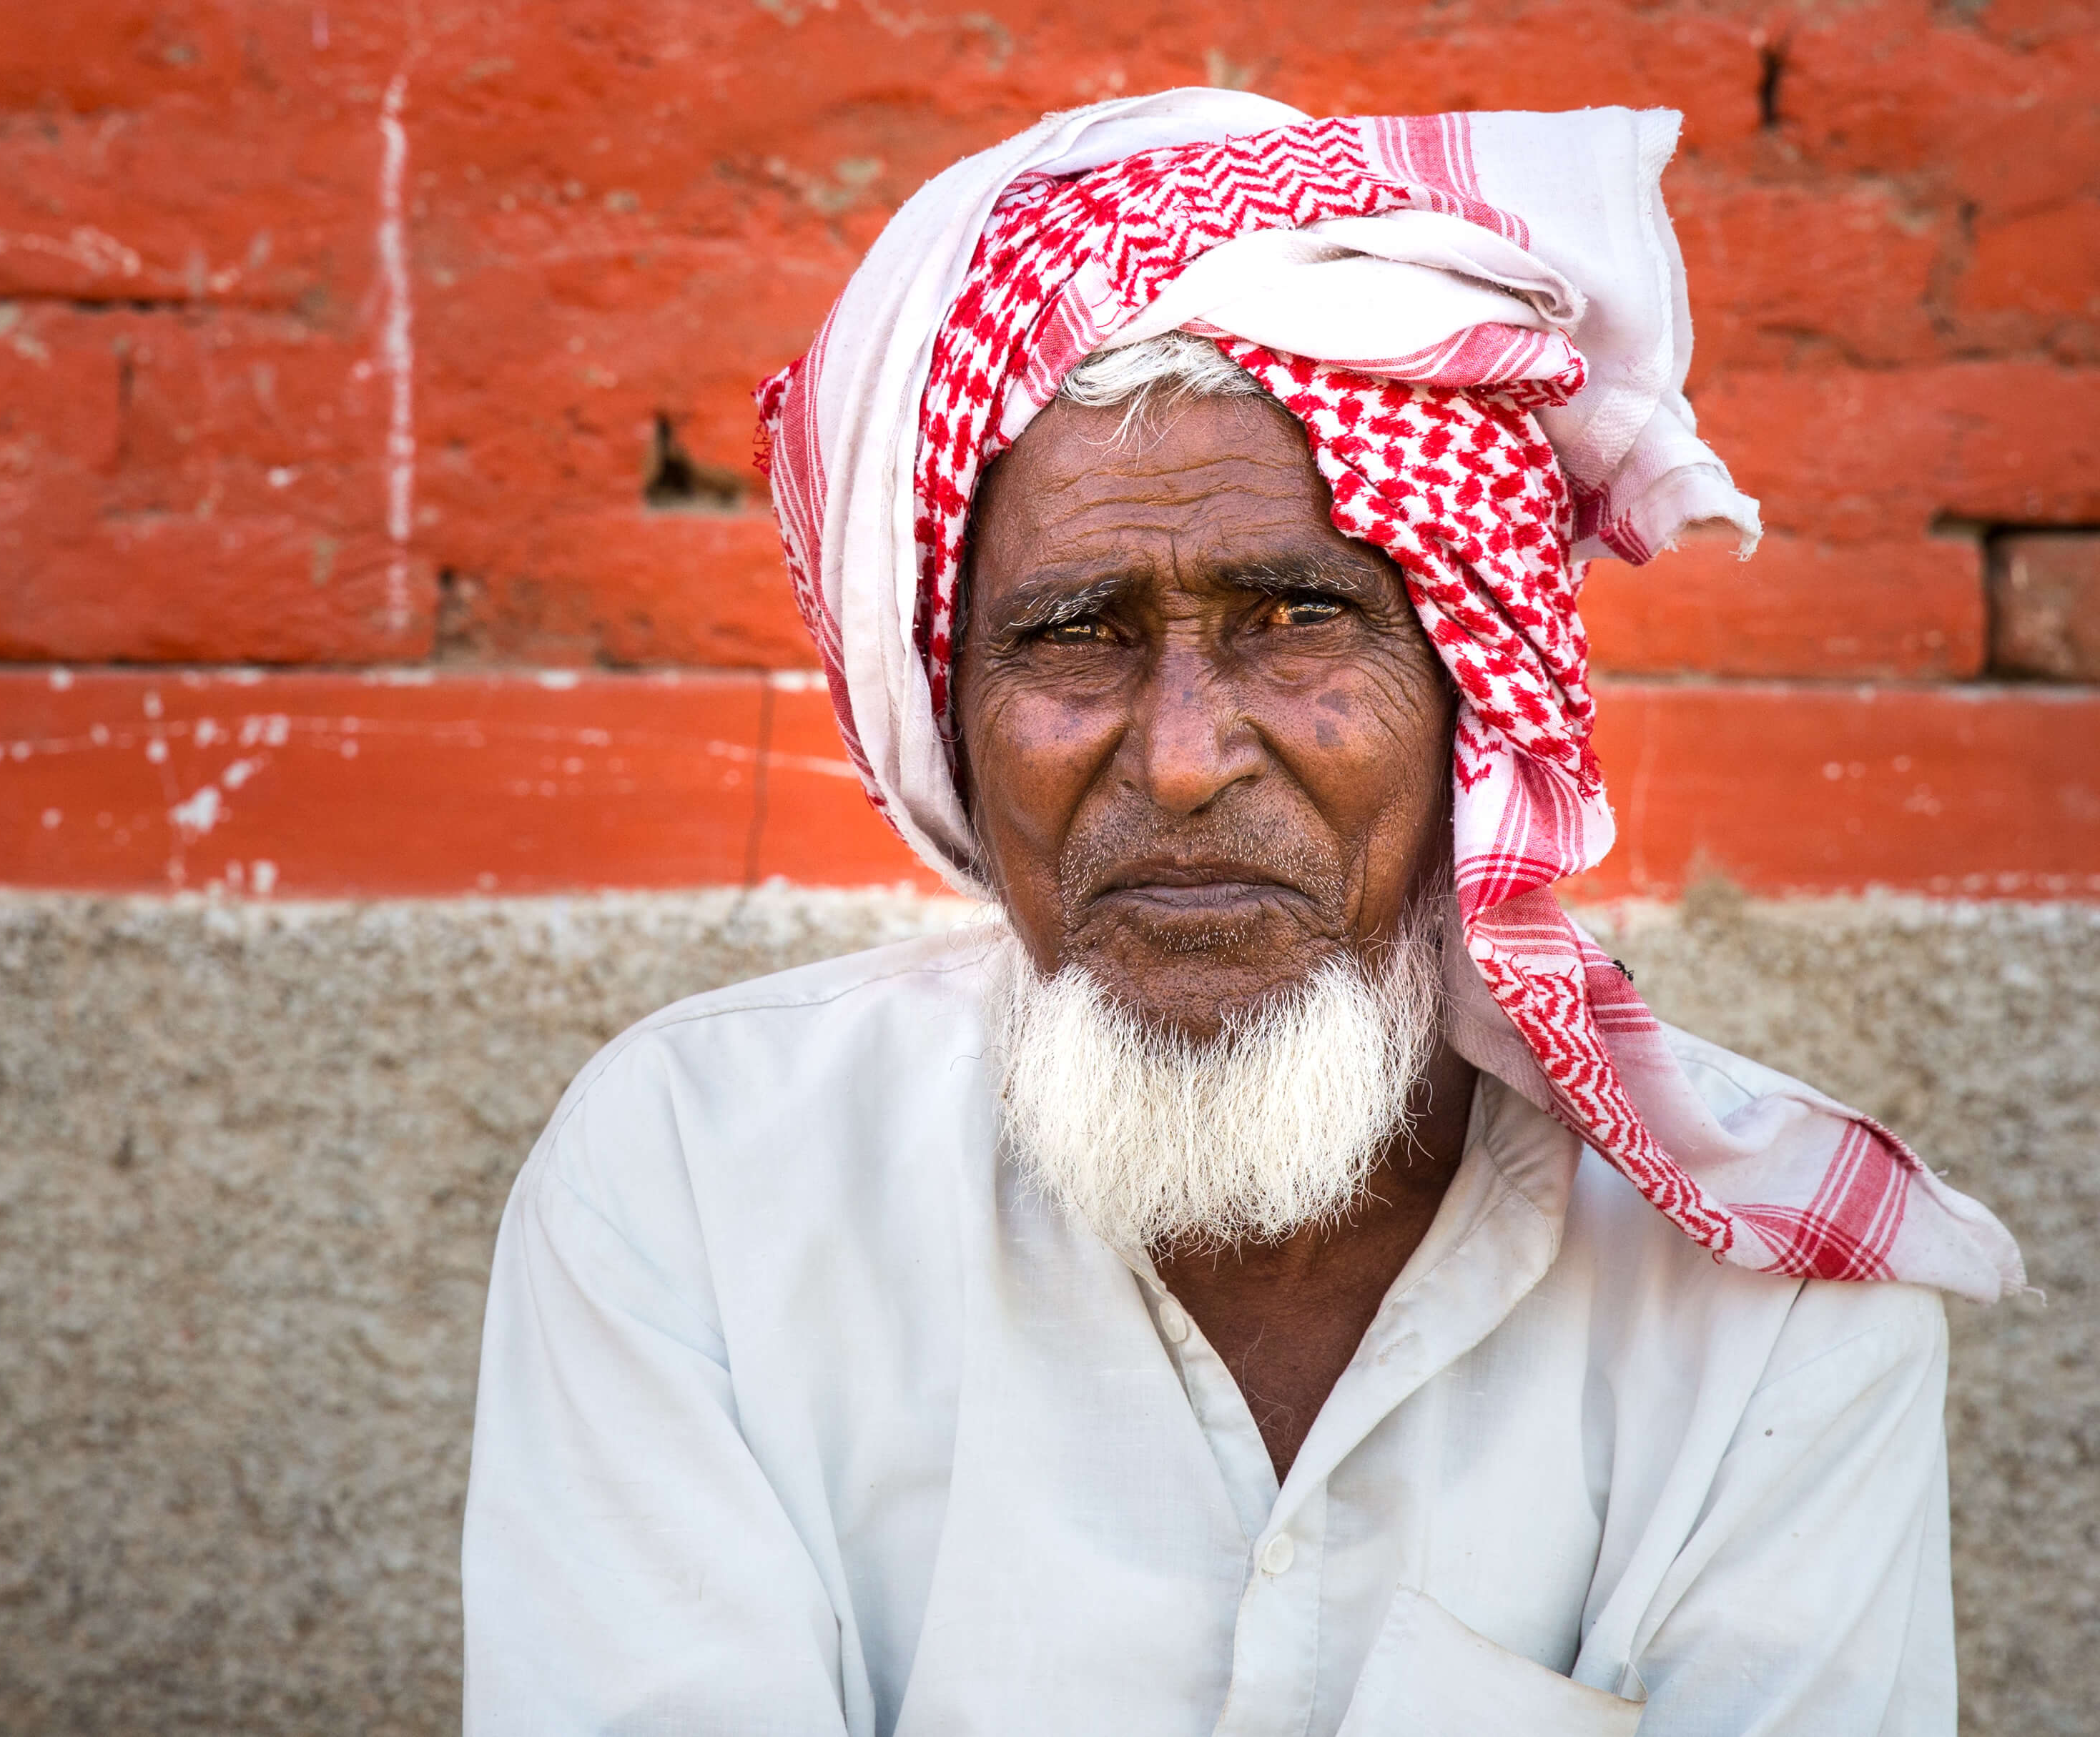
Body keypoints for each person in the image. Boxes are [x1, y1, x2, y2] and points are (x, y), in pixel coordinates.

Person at [459, 91, 2022, 1735]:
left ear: (1468, 700)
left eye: (1299, 618)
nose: (1186, 757)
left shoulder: (1767, 1308)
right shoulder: (701, 1177)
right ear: (952, 722)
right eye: (1072, 634)